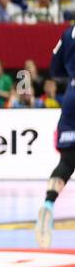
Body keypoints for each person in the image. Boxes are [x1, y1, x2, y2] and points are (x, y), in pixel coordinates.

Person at [37, 23, 75, 247]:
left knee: (67, 161)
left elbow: (55, 69)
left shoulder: (68, 32)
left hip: (71, 96)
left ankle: (48, 204)